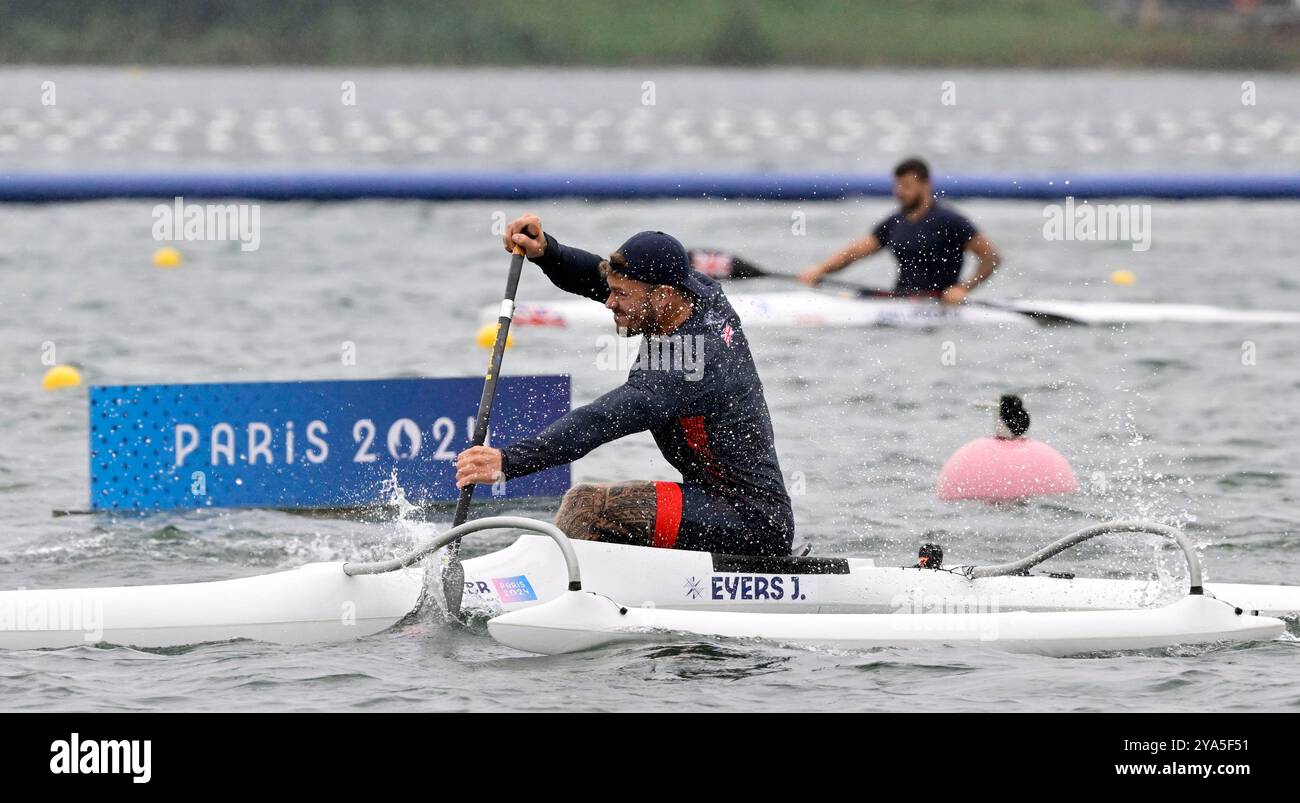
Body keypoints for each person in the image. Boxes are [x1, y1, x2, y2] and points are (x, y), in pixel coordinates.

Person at [455, 214, 794, 556]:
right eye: (611, 290)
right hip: (710, 500)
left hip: (752, 522)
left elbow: (600, 421)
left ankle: (555, 593)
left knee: (589, 507)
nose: (608, 302)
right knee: (598, 508)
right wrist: (547, 251)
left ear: (662, 296)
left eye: (620, 295)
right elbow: (598, 275)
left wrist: (509, 460)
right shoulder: (689, 292)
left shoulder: (689, 364)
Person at [798, 157, 1001, 304]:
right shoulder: (895, 222)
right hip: (900, 302)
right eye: (897, 186)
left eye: (906, 186)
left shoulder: (950, 221)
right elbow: (854, 253)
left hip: (939, 304)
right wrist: (820, 269)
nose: (899, 192)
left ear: (925, 185)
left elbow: (991, 257)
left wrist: (962, 288)